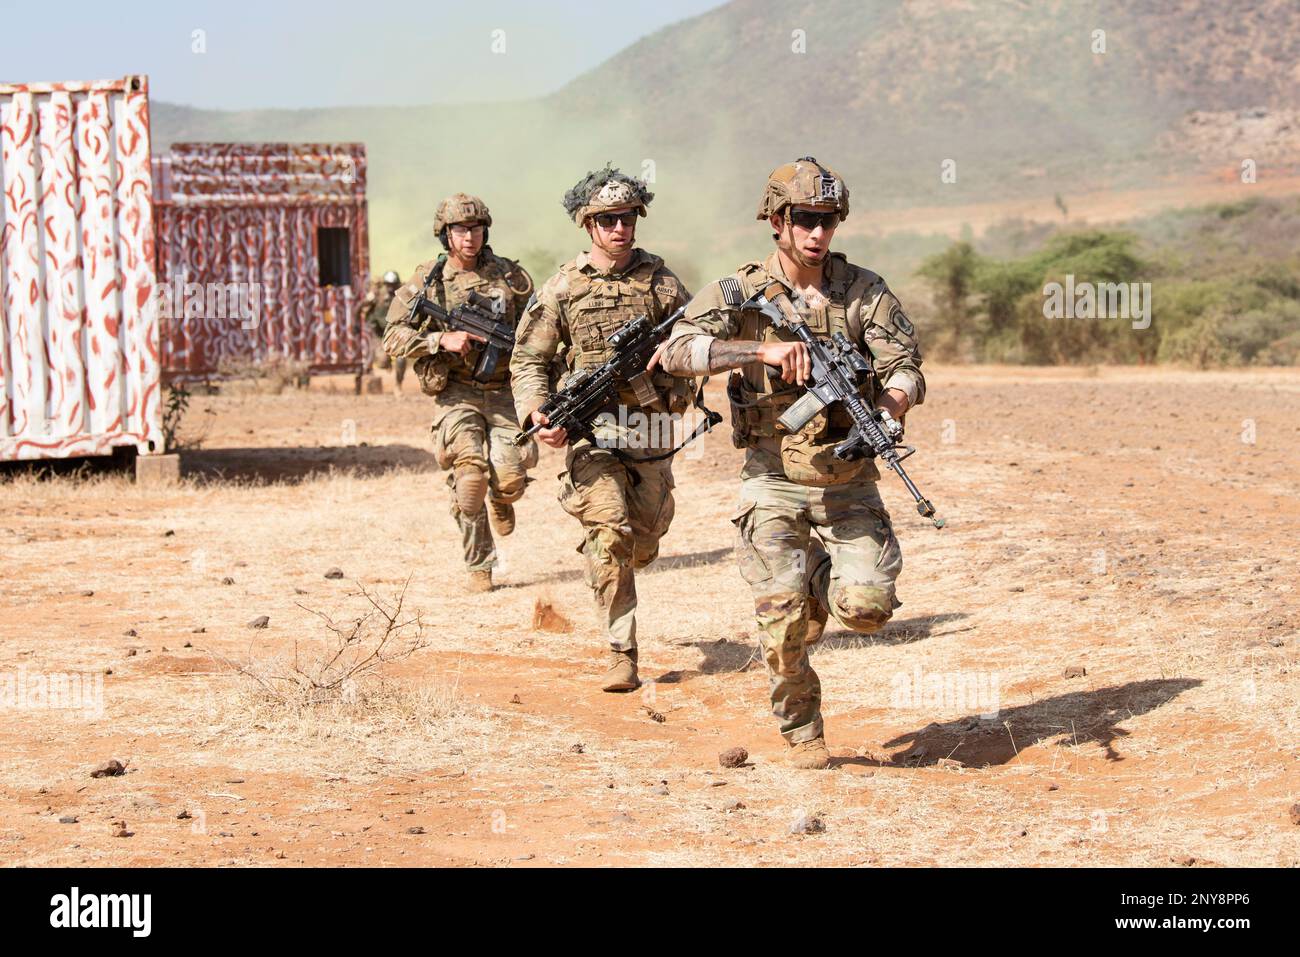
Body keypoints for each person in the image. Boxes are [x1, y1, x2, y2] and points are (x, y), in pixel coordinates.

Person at [659, 157, 927, 768]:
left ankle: (818, 582)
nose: (818, 234)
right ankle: (803, 732)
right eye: (805, 220)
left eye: (828, 221)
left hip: (847, 476)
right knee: (781, 627)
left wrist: (889, 408)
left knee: (865, 610)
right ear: (777, 220)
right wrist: (761, 348)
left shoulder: (865, 291)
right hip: (772, 479)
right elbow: (675, 350)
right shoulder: (738, 290)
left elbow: (906, 366)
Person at [510, 166, 695, 692]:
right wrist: (536, 414)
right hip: (592, 435)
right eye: (609, 219)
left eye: (629, 218)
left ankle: (628, 551)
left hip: (649, 429)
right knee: (609, 532)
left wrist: (671, 363)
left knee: (645, 536)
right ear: (588, 225)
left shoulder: (661, 283)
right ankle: (622, 651)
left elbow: (692, 342)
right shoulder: (563, 288)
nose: (620, 228)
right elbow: (528, 361)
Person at [383, 193, 536, 592]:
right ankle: (480, 568)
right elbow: (392, 337)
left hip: (504, 391)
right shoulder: (427, 281)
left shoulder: (512, 278)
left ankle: (502, 498)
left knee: (510, 477)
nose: (469, 236)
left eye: (475, 228)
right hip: (456, 393)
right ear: (445, 234)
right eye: (459, 229)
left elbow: (540, 329)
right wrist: (439, 340)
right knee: (469, 479)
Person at [358, 270, 406, 389]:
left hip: (396, 332)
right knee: (382, 362)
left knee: (401, 360)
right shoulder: (376, 294)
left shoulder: (402, 295)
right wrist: (355, 323)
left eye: (393, 285)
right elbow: (360, 306)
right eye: (388, 285)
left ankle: (398, 385)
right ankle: (387, 362)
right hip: (380, 334)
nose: (390, 288)